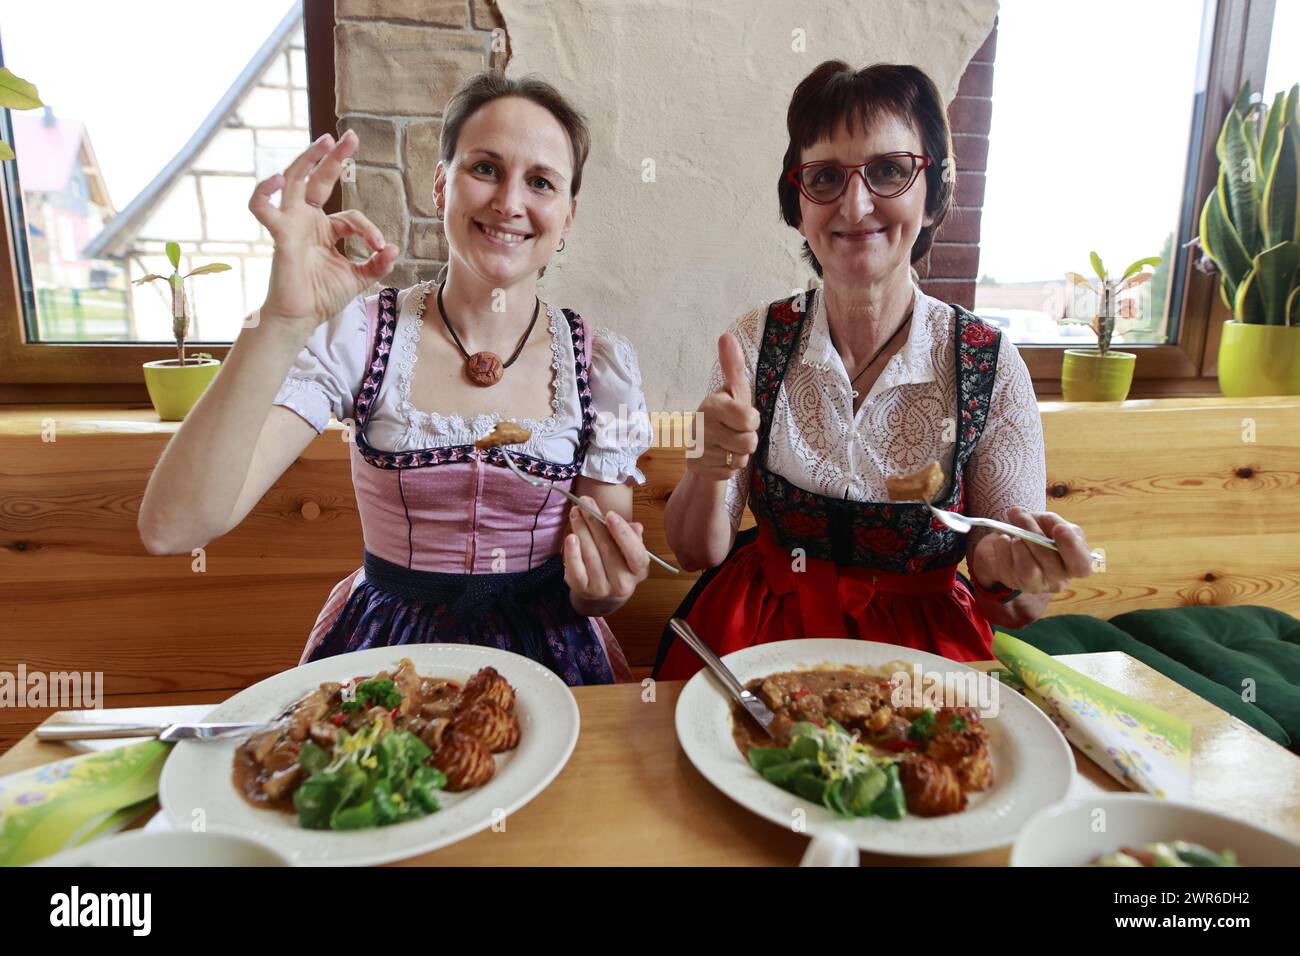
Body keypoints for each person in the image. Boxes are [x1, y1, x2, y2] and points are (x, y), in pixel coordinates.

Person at [139, 71, 652, 685]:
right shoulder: (360, 334)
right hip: (386, 655)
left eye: (540, 182)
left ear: (567, 215)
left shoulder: (600, 366)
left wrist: (604, 595)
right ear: (441, 184)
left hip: (551, 661)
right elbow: (172, 528)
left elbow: (602, 562)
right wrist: (281, 319)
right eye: (485, 168)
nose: (509, 202)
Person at [654, 61, 1097, 680]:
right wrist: (709, 463)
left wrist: (1007, 566)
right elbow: (696, 551)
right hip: (755, 637)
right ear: (798, 200)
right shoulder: (756, 341)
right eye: (826, 176)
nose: (856, 204)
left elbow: (1022, 609)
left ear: (932, 189)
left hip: (922, 657)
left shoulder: (989, 364)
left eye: (890, 171)